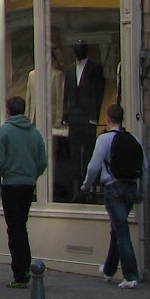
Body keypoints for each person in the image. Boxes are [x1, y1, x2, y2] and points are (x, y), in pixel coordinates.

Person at [82, 102, 148, 288]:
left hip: (114, 188)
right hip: (130, 188)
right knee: (117, 229)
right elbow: (144, 167)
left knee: (121, 232)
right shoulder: (133, 138)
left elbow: (94, 166)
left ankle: (131, 275)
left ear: (107, 119)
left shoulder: (104, 140)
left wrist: (86, 185)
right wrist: (141, 190)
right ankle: (109, 269)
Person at [0, 95, 47, 288]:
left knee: (14, 229)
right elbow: (43, 161)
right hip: (28, 184)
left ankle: (20, 271)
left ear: (8, 111)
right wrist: (32, 174)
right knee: (21, 226)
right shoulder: (35, 133)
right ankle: (24, 267)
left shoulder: (4, 131)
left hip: (11, 184)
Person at [60, 40, 106, 201]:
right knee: (73, 154)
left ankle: (88, 189)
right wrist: (64, 115)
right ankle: (75, 190)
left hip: (88, 117)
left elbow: (99, 92)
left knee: (88, 153)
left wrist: (95, 116)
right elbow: (66, 94)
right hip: (73, 116)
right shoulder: (70, 70)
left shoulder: (95, 69)